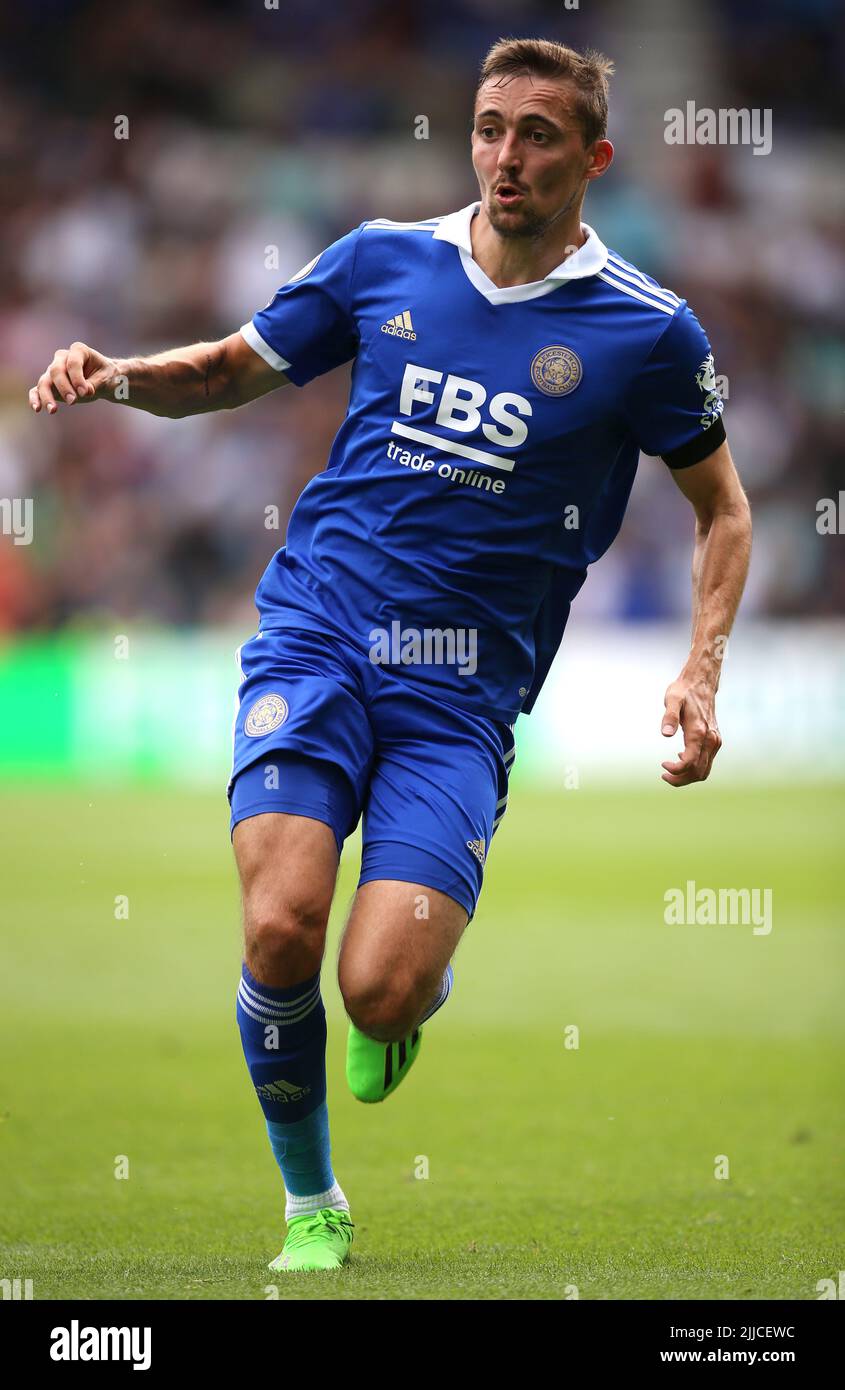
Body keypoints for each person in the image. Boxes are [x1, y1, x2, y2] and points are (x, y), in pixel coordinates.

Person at [28, 37, 752, 1272]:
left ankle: (410, 995)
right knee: (278, 928)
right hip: (317, 634)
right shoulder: (379, 260)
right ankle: (312, 1204)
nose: (503, 156)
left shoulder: (648, 332)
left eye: (533, 134)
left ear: (593, 157)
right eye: (485, 128)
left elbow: (722, 508)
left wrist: (699, 665)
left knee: (376, 987)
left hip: (461, 693)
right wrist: (116, 376)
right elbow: (226, 371)